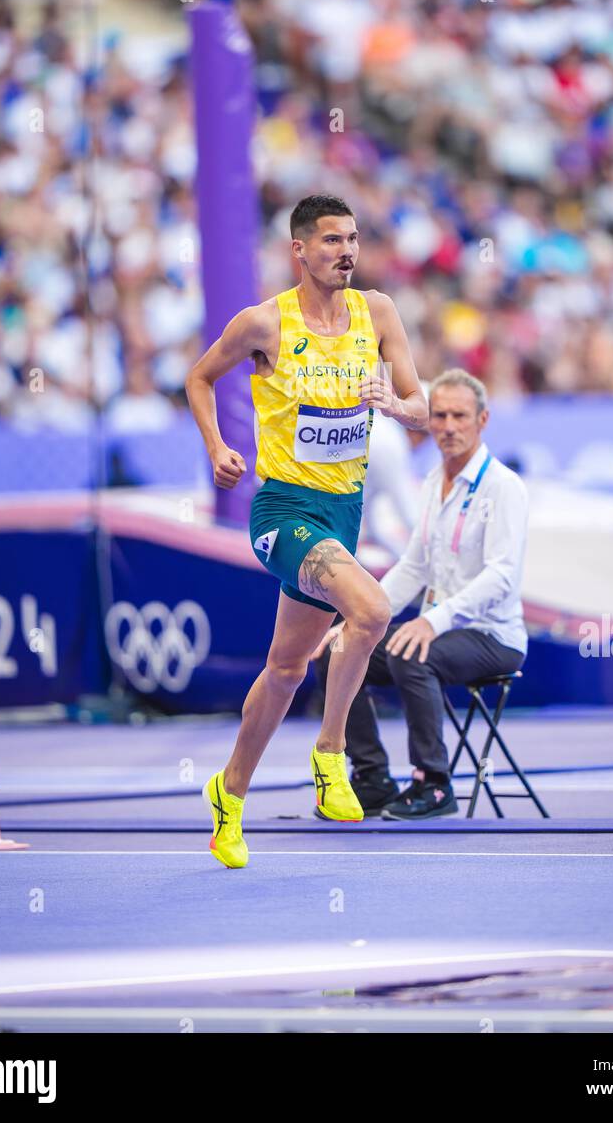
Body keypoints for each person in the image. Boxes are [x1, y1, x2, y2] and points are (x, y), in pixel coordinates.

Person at [185, 193, 428, 866]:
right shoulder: (265, 323)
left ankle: (228, 795)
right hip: (285, 513)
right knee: (373, 608)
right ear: (299, 250)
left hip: (342, 512)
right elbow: (199, 379)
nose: (345, 251)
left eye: (351, 239)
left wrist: (395, 405)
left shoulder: (377, 313)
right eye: (330, 241)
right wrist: (216, 450)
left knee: (288, 667)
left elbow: (422, 406)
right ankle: (331, 755)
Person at [313, 368, 529, 820]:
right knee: (337, 649)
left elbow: (502, 576)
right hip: (442, 629)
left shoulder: (505, 487)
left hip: (494, 636)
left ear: (483, 420)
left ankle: (434, 783)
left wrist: (435, 619)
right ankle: (370, 776)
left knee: (412, 653)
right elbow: (413, 566)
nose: (448, 426)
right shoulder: (432, 482)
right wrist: (357, 619)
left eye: (459, 416)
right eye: (439, 416)